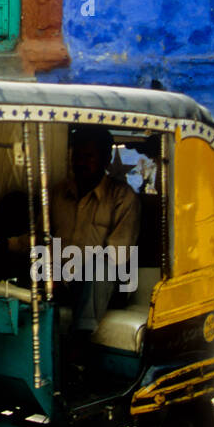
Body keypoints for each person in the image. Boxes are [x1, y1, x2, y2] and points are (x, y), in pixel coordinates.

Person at [48, 125, 139, 336]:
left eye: (88, 156)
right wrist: (5, 245)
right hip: (62, 278)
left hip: (107, 284)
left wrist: (70, 277)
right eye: (77, 156)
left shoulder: (123, 197)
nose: (80, 162)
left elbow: (118, 253)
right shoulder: (58, 194)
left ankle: (80, 342)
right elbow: (40, 238)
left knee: (100, 268)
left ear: (106, 160)